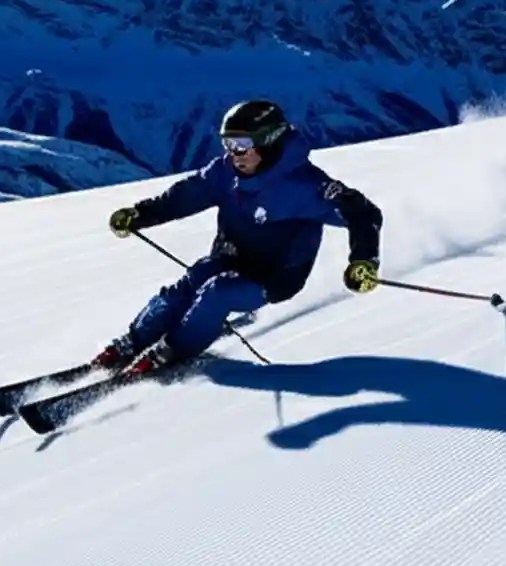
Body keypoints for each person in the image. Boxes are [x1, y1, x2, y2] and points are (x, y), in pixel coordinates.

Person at [93, 99, 384, 375]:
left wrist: (364, 260)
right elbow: (186, 196)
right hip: (231, 258)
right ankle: (132, 341)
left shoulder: (303, 185)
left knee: (217, 292)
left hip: (276, 276)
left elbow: (364, 214)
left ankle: (170, 352)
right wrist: (140, 215)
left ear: (268, 142)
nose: (234, 152)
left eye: (241, 145)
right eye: (228, 143)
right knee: (192, 282)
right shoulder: (226, 173)